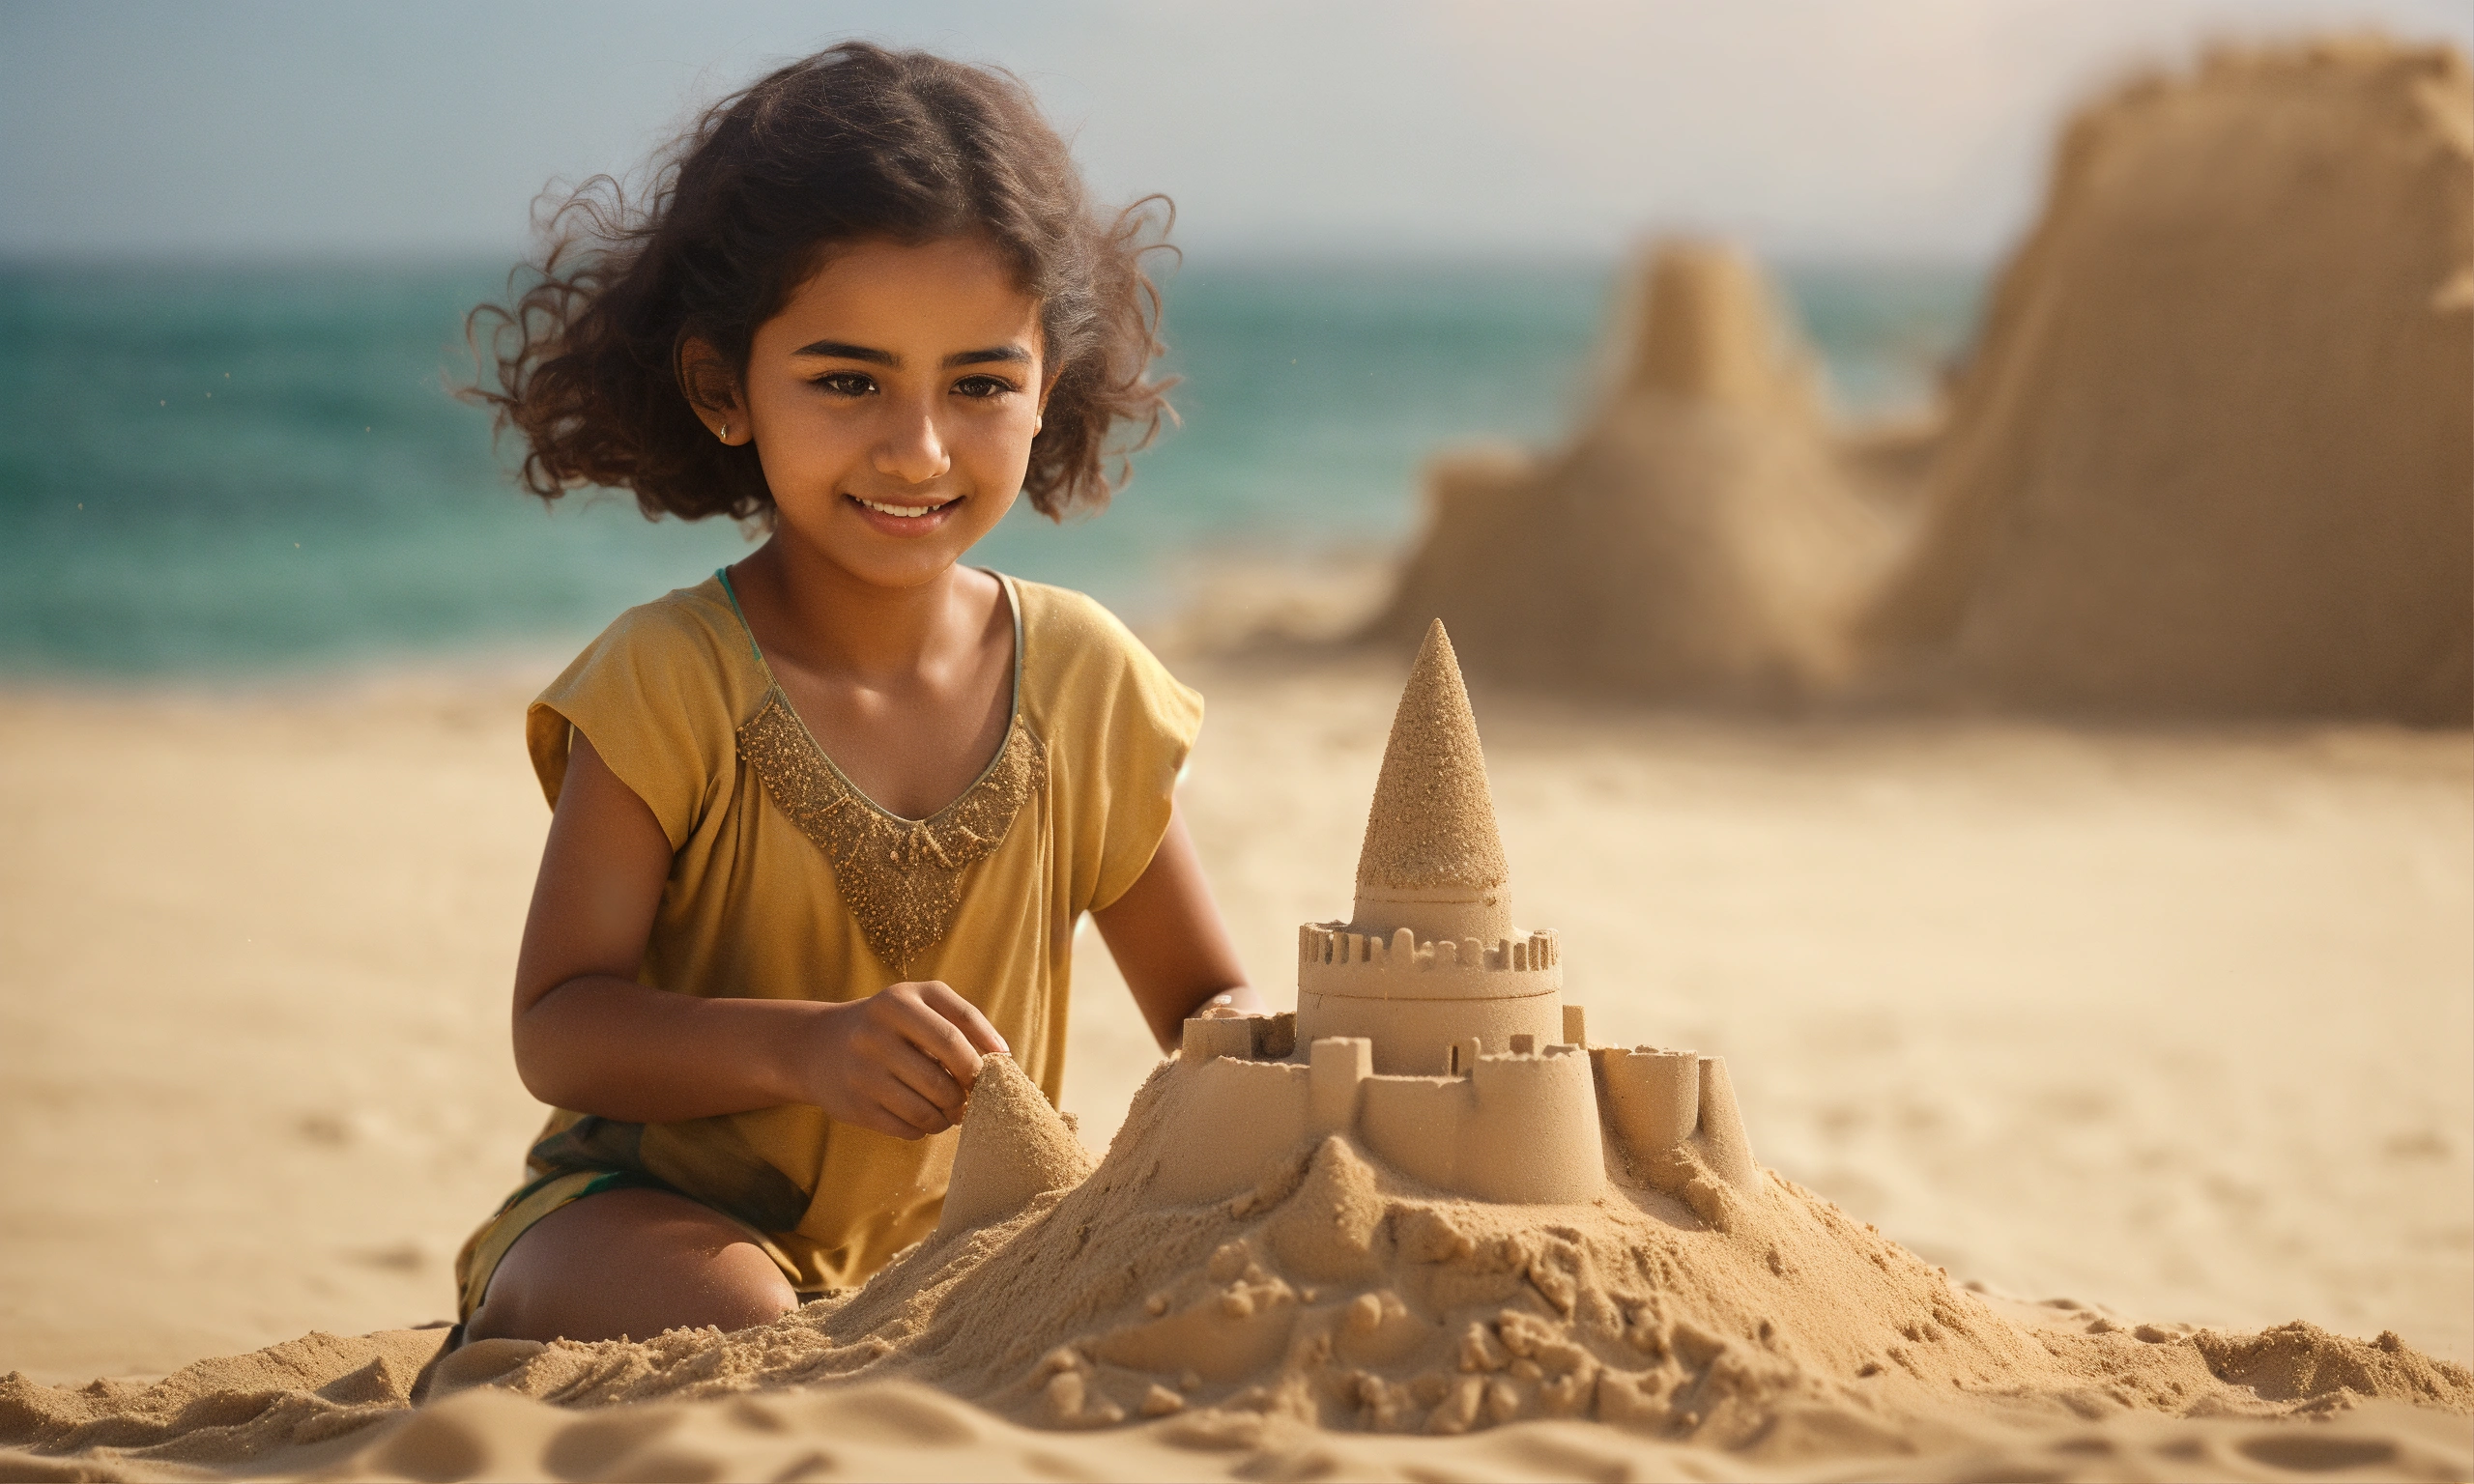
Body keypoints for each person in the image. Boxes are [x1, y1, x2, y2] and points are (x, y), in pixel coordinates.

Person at [448, 42, 1261, 1347]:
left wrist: (1310, 1044)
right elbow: (560, 1031)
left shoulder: (1085, 679)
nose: (919, 447)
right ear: (725, 389)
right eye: (847, 382)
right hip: (646, 1218)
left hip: (969, 1260)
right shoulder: (671, 681)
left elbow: (1203, 1012)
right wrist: (805, 1050)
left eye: (981, 385)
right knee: (739, 1314)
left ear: (1048, 384)